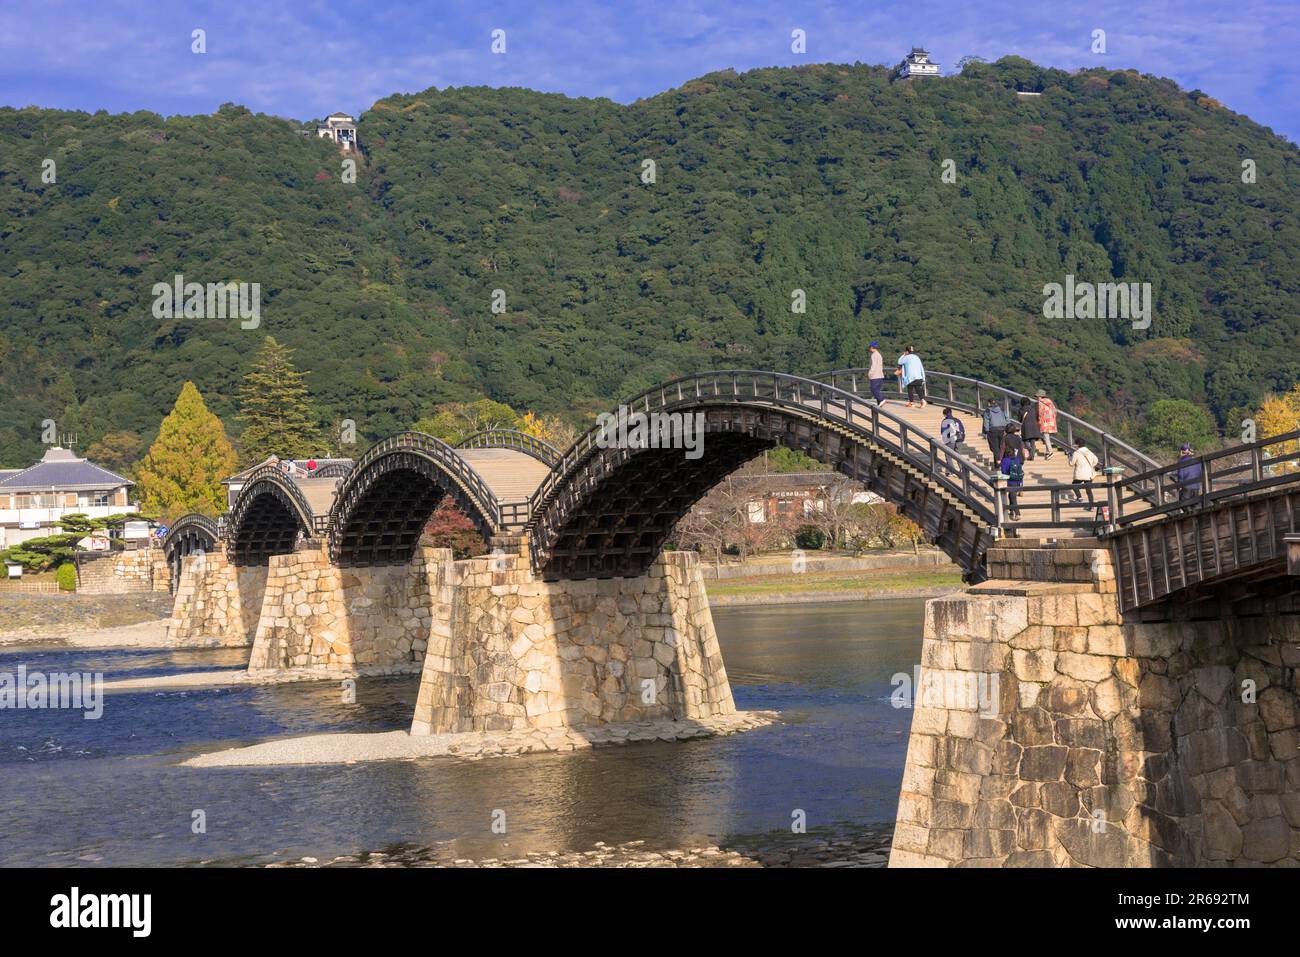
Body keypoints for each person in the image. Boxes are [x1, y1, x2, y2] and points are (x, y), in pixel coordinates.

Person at [999, 423, 1026, 520]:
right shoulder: (1018, 437)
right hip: (1018, 459)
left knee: (1011, 490)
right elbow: (1022, 448)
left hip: (1008, 460)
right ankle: (1020, 486)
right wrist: (1024, 456)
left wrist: (999, 459)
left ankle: (1016, 511)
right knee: (1018, 474)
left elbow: (1002, 449)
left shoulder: (1005, 438)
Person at [1069, 437, 1099, 503]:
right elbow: (1096, 460)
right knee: (1088, 490)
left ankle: (1079, 498)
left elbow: (1071, 463)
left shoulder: (1076, 453)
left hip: (1079, 473)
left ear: (1077, 445)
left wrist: (1070, 457)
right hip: (1089, 474)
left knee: (1074, 485)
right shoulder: (1089, 452)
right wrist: (1091, 466)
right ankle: (1091, 505)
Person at [1175, 444, 1203, 508]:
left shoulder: (1181, 461)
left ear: (1182, 451)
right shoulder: (1197, 460)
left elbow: (1180, 474)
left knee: (1184, 505)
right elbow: (1200, 472)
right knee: (1195, 506)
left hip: (1187, 486)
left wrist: (1179, 485)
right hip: (1196, 486)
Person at [1035, 389, 1058, 459]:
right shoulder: (1049, 401)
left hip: (1045, 422)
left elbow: (1040, 413)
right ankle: (1047, 452)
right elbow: (1055, 411)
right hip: (1051, 422)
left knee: (1046, 437)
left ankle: (1050, 452)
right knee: (1047, 436)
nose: (1036, 398)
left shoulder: (1041, 402)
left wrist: (1038, 420)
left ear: (1040, 396)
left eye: (1037, 396)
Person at [1019, 396, 1043, 461]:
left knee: (1025, 441)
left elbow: (1020, 420)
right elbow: (1037, 417)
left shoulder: (1021, 410)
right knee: (1033, 442)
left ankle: (1031, 451)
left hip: (1026, 428)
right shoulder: (1033, 409)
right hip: (1034, 427)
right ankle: (1032, 455)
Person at [867, 342, 887, 406]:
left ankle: (882, 399)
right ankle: (879, 404)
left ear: (872, 347)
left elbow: (873, 366)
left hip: (875, 376)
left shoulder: (874, 355)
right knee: (877, 390)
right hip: (880, 375)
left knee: (873, 389)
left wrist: (870, 373)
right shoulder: (879, 354)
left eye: (870, 347)